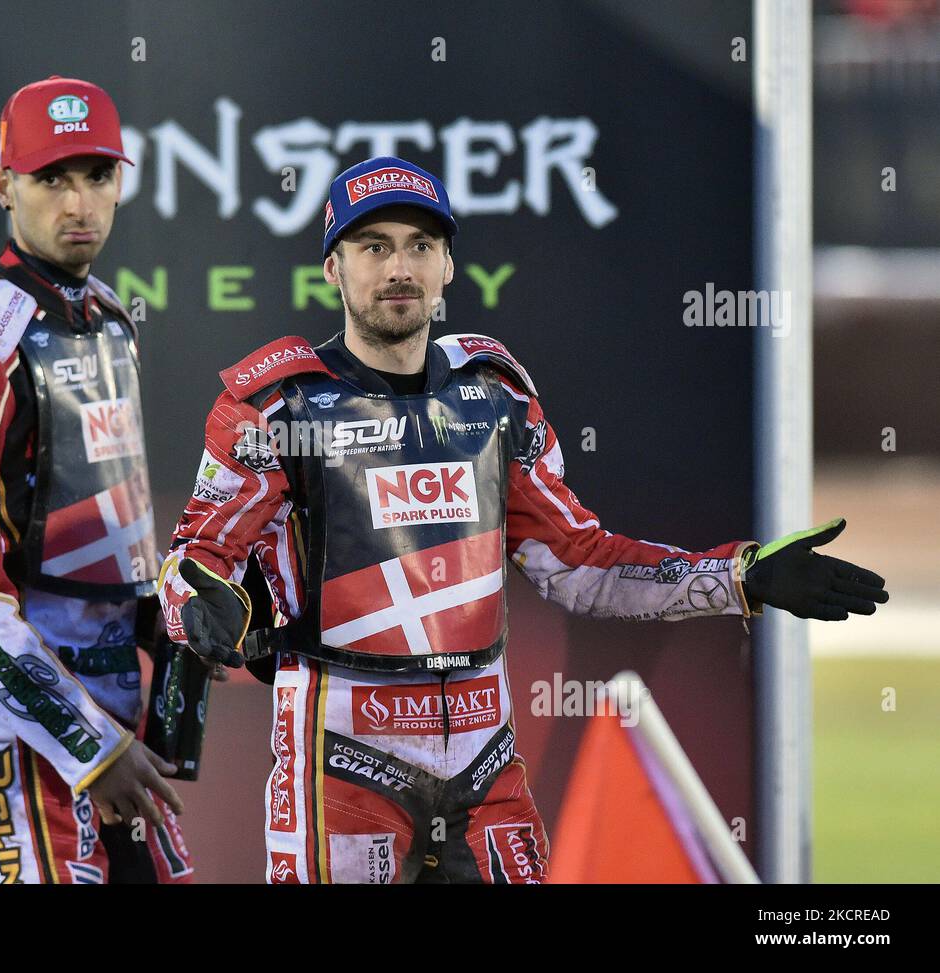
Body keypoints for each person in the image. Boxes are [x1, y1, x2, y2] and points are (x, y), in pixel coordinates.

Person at [156, 155, 890, 884]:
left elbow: (579, 562)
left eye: (420, 245)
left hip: (484, 766)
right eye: (374, 247)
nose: (399, 268)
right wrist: (196, 604)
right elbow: (195, 557)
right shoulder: (276, 406)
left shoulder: (494, 393)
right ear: (332, 268)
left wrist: (740, 577)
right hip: (340, 761)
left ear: (448, 266)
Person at [0, 77, 192, 884]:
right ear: (3, 185)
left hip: (117, 718)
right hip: (22, 729)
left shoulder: (110, 321)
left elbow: (99, 525)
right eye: (52, 178)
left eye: (98, 175)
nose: (79, 202)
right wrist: (90, 746)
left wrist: (167, 617)